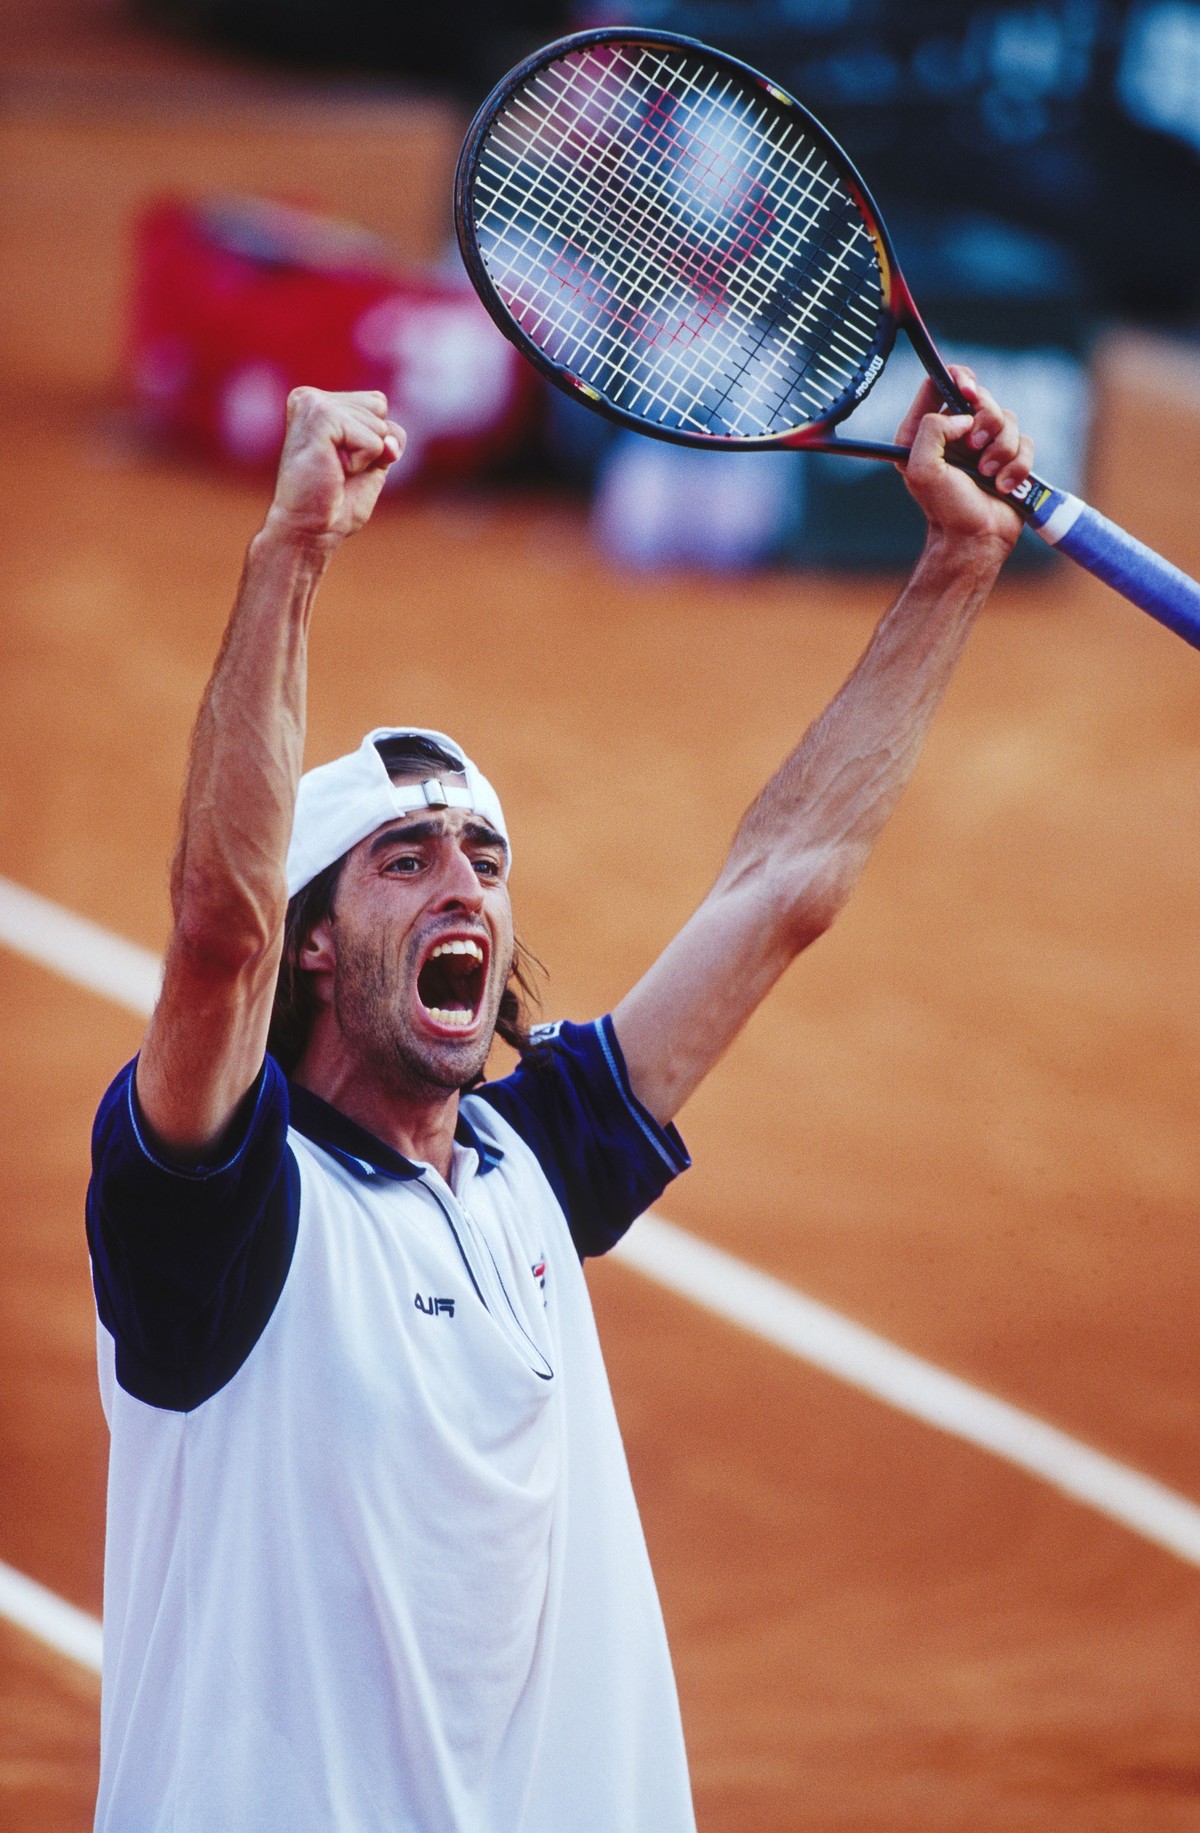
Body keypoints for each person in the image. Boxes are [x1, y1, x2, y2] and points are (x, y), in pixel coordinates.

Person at [86, 376, 1032, 1832]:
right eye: (405, 856)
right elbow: (219, 928)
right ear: (316, 943)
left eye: (482, 851)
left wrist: (956, 562)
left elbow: (782, 890)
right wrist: (291, 553)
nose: (465, 876)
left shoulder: (532, 1161)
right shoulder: (224, 1215)